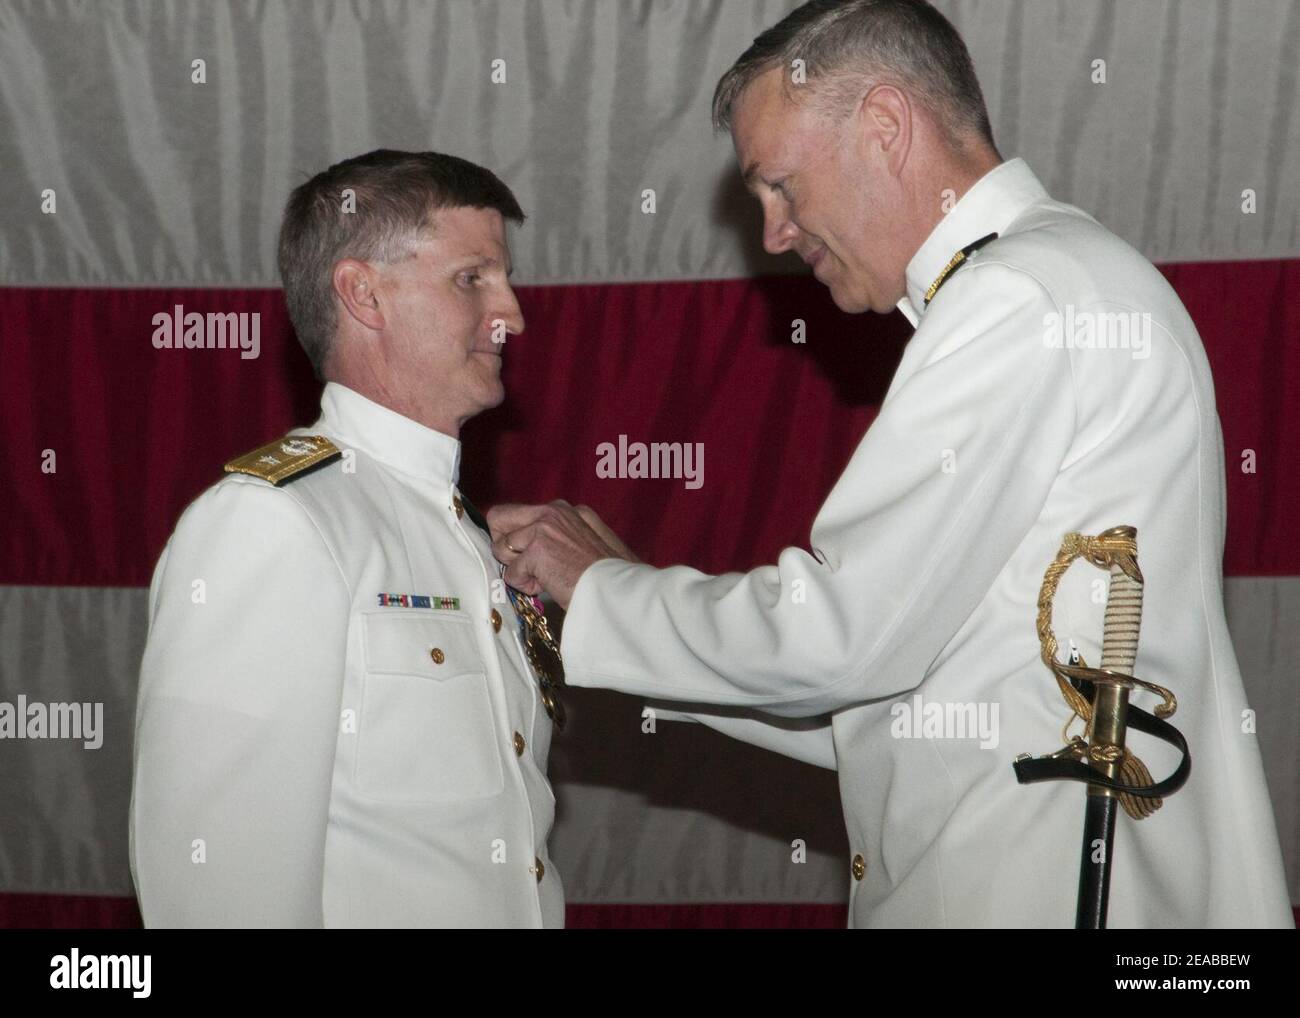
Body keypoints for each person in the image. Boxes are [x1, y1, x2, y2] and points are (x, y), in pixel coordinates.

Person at [488, 0, 1294, 928]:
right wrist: (628, 605)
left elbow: (842, 641)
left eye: (780, 185)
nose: (774, 235)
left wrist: (604, 593)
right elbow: (898, 704)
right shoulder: (1061, 278)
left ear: (884, 126)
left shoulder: (1016, 299)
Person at [129, 149, 564, 928]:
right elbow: (220, 893)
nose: (513, 314)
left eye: (505, 279)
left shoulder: (466, 531)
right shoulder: (274, 523)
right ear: (364, 294)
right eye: (473, 278)